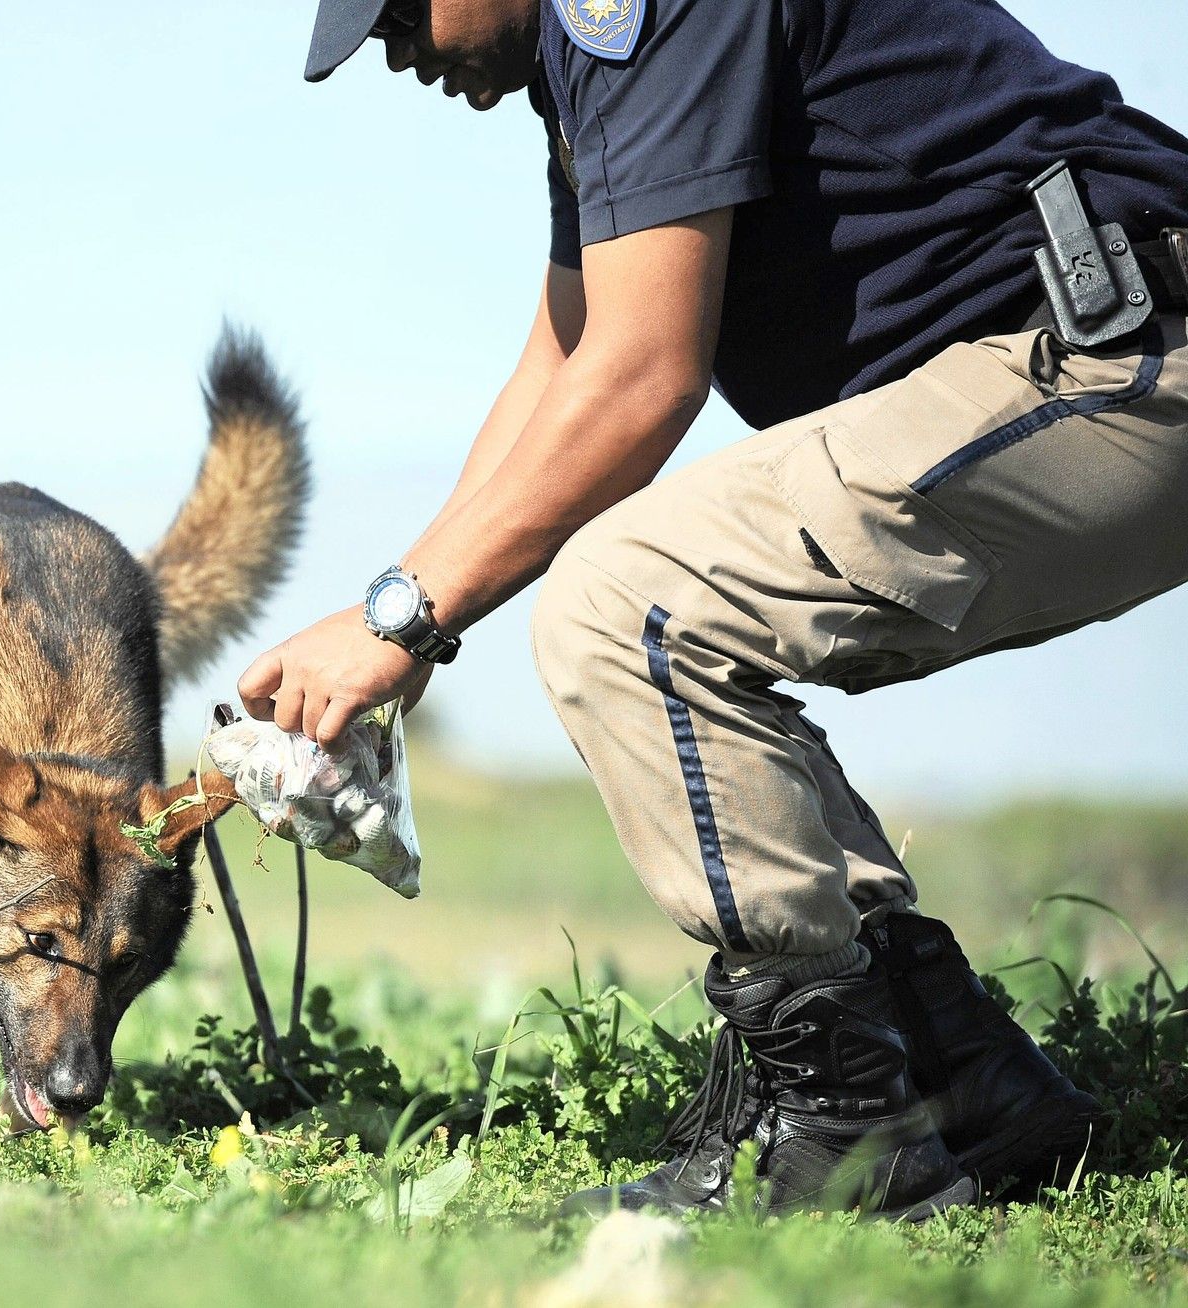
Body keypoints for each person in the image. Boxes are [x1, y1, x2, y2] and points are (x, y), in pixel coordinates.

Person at [246, 0, 1188, 1215]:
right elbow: (567, 361)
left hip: (1112, 350)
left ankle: (845, 1141)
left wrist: (396, 620)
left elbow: (642, 381)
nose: (393, 49)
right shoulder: (584, 71)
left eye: (395, 9)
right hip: (1068, 360)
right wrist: (398, 620)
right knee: (649, 592)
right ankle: (959, 1081)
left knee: (626, 598)